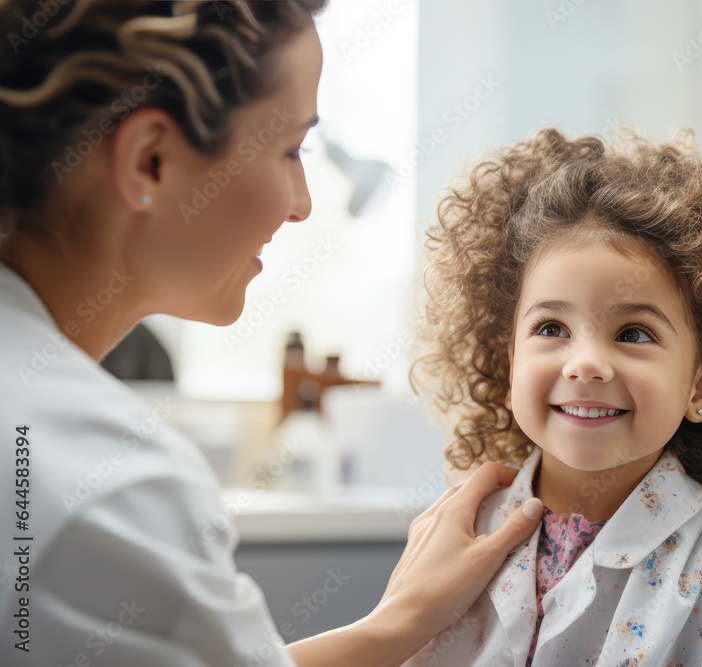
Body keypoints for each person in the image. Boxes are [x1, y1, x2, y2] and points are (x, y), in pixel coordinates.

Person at [0, 2, 543, 665]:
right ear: (150, 159)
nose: (302, 202)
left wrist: (395, 624)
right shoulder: (107, 484)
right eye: (292, 149)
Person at [406, 126, 702, 665]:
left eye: (634, 333)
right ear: (511, 363)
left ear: (700, 387)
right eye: (551, 328)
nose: (585, 362)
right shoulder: (459, 530)